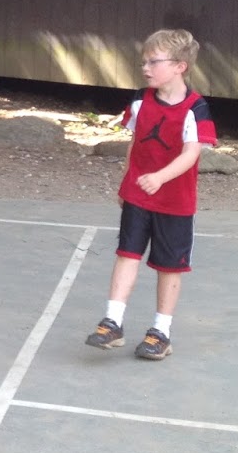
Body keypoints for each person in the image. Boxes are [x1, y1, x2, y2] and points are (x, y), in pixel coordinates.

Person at [85, 28, 217, 361]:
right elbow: (135, 143)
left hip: (175, 202)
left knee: (169, 266)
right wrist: (126, 181)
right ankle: (112, 322)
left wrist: (159, 177)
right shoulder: (139, 101)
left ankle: (161, 331)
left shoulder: (195, 109)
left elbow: (191, 154)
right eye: (144, 61)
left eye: (153, 62)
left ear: (180, 66)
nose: (145, 68)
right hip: (138, 196)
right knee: (126, 253)